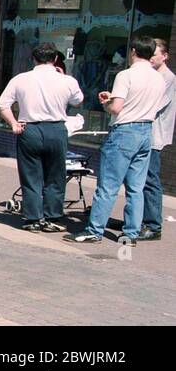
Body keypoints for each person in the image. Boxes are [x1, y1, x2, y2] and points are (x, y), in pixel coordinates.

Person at [67, 36, 170, 244]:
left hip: (125, 130)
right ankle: (131, 233)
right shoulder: (159, 78)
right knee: (136, 187)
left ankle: (94, 231)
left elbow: (116, 108)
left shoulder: (126, 75)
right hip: (145, 130)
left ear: (133, 51)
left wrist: (107, 103)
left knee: (108, 186)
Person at [0, 42, 84, 232]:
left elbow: (2, 104)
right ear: (55, 59)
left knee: (31, 175)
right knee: (55, 176)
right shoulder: (67, 81)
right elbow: (78, 101)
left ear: (34, 59)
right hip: (56, 129)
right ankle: (52, 217)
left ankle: (33, 218)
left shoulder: (21, 79)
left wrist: (14, 123)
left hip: (30, 129)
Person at [140, 39, 176, 241]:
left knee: (150, 180)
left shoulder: (167, 78)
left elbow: (154, 105)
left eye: (155, 54)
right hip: (144, 134)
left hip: (154, 136)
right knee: (140, 180)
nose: (151, 58)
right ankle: (140, 219)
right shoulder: (151, 76)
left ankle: (153, 225)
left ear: (165, 56)